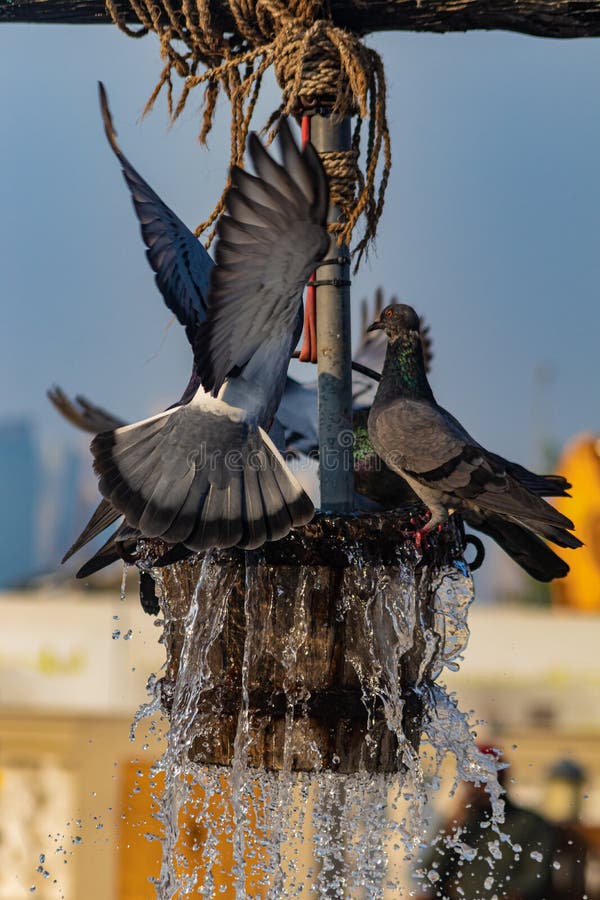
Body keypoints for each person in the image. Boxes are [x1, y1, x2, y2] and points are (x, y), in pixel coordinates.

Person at [415, 748, 558, 900]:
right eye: (470, 781)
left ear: (498, 782)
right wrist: (453, 827)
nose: (476, 789)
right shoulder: (461, 822)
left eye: (483, 781)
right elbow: (430, 872)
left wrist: (512, 895)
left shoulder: (528, 823)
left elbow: (535, 878)